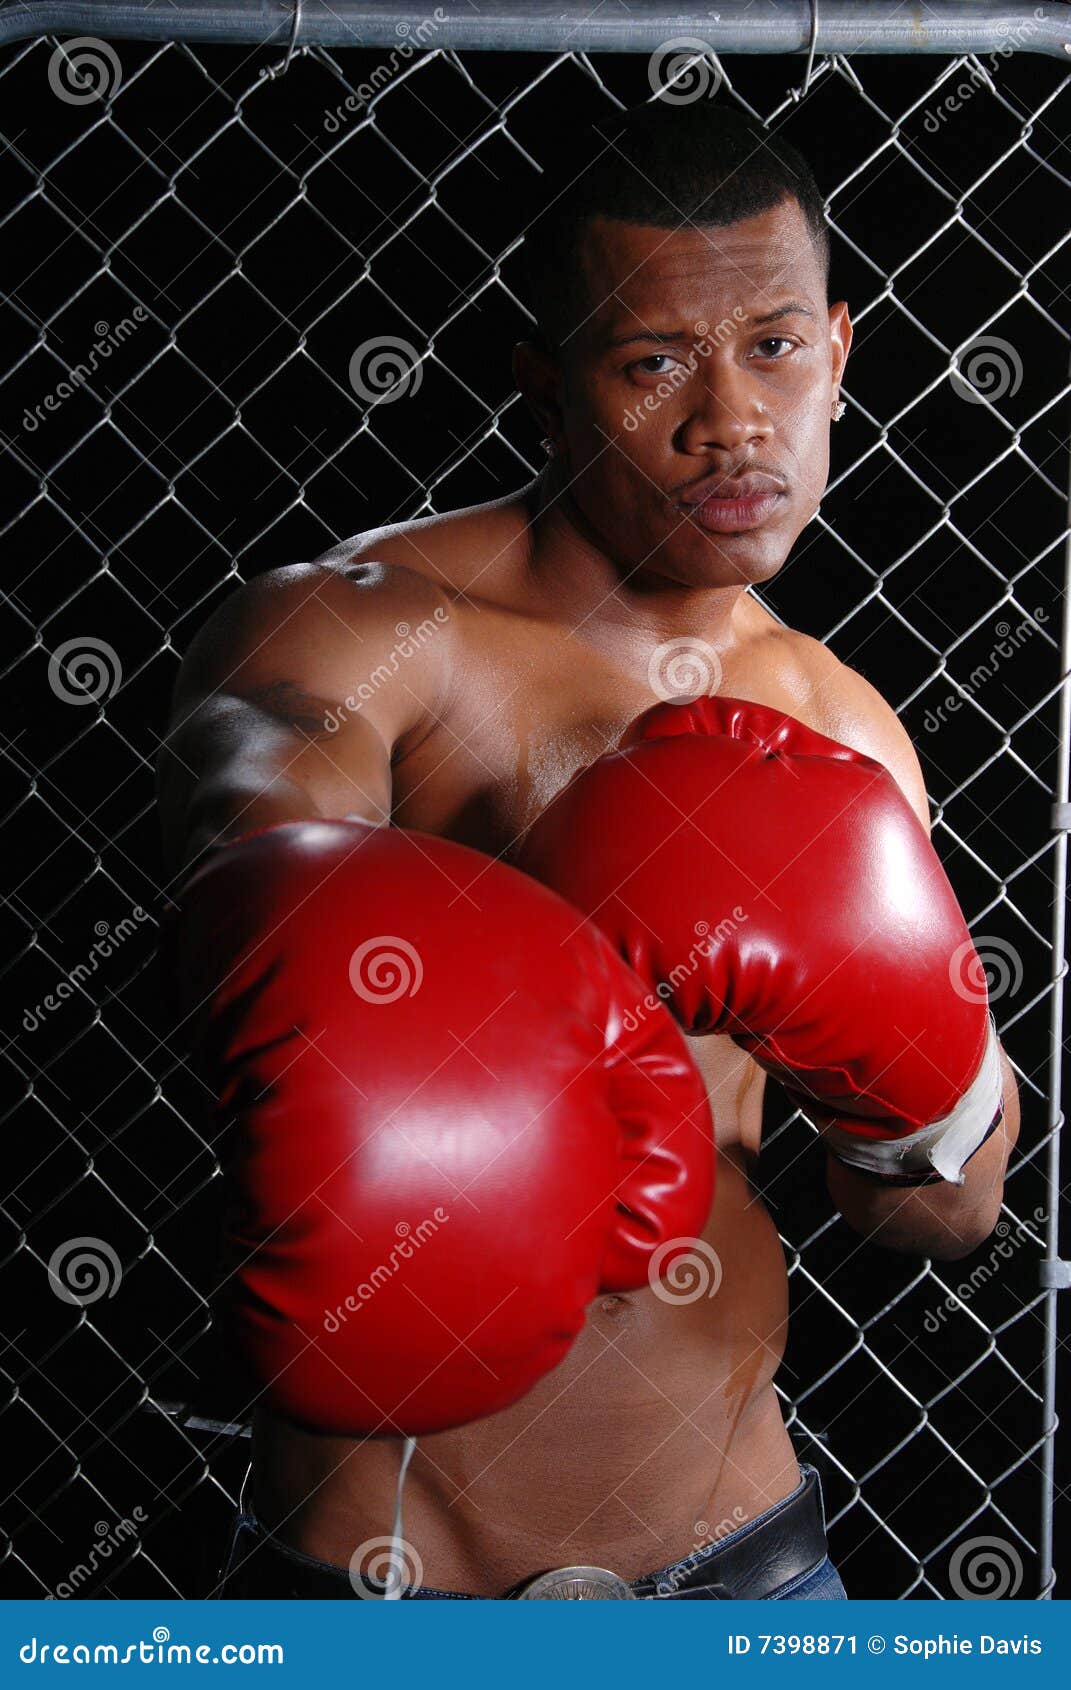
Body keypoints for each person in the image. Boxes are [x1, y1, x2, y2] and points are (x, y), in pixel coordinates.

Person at [158, 102, 1019, 1600]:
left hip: (749, 1566)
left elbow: (939, 1211)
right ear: (545, 394)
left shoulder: (849, 727)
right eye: (652, 365)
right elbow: (243, 856)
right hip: (389, 1591)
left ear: (843, 357)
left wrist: (929, 1078)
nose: (731, 422)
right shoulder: (373, 632)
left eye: (774, 346)